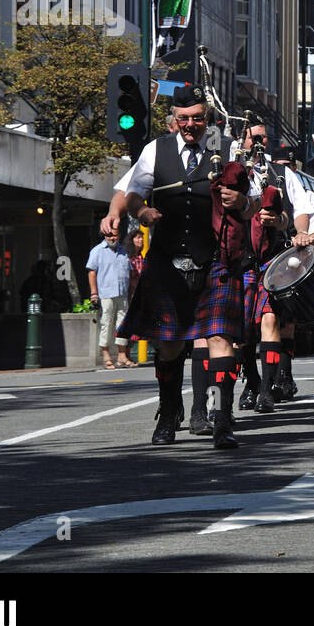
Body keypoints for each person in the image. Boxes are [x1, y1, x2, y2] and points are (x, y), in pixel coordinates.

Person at [107, 83, 255, 448]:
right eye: (183, 119)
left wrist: (239, 201)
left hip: (216, 260)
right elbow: (132, 194)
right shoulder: (154, 150)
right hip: (167, 260)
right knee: (169, 345)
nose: (190, 125)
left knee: (220, 340)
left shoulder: (229, 150)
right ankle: (169, 411)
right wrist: (141, 210)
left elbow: (256, 205)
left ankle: (222, 420)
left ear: (209, 118)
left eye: (197, 119)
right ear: (173, 119)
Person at [238, 121, 314, 414]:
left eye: (262, 137)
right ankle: (252, 382)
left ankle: (267, 389)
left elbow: (302, 209)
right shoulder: (230, 170)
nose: (257, 142)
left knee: (271, 322)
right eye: (252, 137)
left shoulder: (281, 173)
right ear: (241, 139)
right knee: (244, 331)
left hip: (274, 260)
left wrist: (297, 231)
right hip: (240, 259)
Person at [86, 226, 136, 369]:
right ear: (104, 235)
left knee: (122, 324)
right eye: (109, 235)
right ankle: (106, 354)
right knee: (106, 323)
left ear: (119, 235)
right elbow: (92, 272)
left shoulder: (123, 251)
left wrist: (132, 292)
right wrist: (94, 293)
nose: (112, 238)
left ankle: (122, 356)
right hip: (105, 293)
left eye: (114, 235)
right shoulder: (97, 251)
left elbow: (129, 274)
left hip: (122, 293)